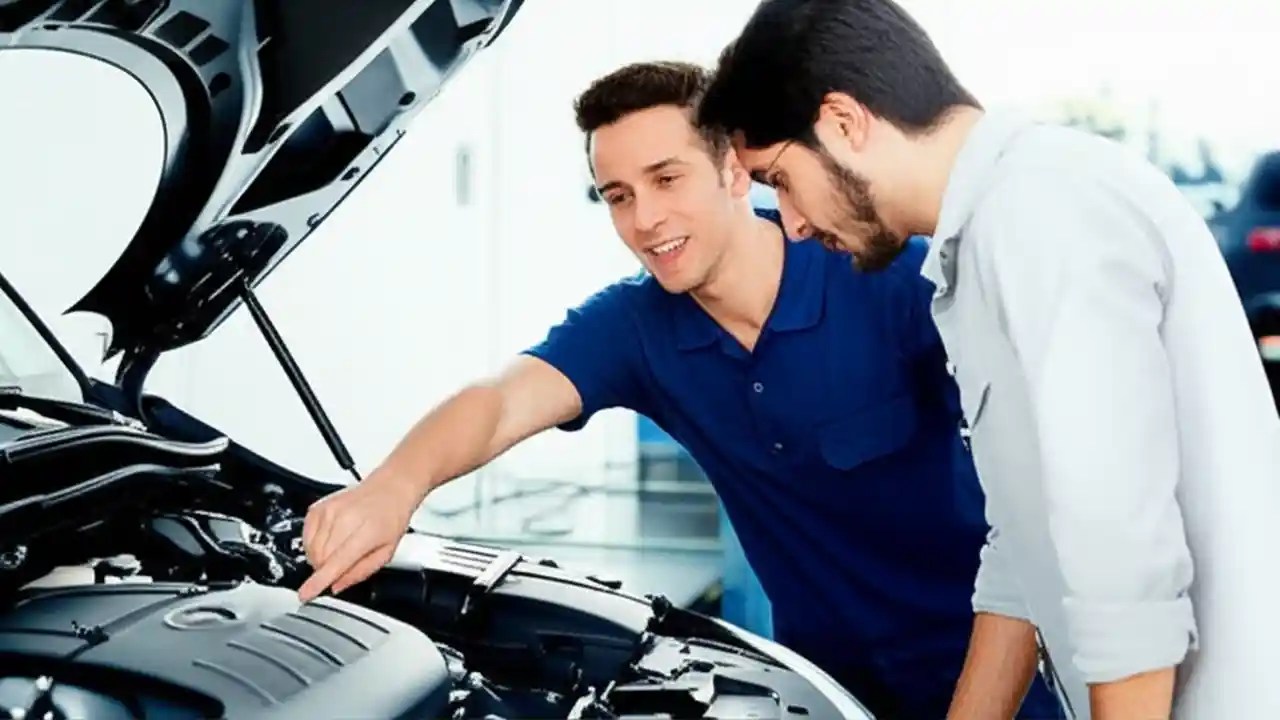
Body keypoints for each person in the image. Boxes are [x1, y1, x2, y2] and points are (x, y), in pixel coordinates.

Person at [296, 60, 1060, 719]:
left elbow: (1031, 519)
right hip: (812, 689)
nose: (645, 219)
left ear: (735, 167)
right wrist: (394, 487)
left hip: (989, 681)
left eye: (666, 179)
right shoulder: (636, 325)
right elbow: (500, 401)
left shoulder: (891, 277)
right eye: (618, 195)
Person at [695, 1, 1280, 718]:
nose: (791, 221)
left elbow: (1121, 567)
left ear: (844, 123)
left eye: (779, 180)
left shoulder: (1043, 208)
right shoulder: (977, 248)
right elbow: (1024, 544)